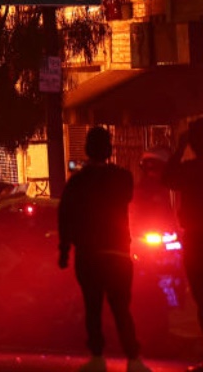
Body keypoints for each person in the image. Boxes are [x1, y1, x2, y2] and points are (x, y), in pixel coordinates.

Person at [57, 125, 151, 372]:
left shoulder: (77, 182)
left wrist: (64, 251)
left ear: (88, 149)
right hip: (118, 252)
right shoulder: (122, 177)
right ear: (109, 150)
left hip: (89, 254)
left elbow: (66, 217)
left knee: (93, 307)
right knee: (121, 308)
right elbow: (126, 199)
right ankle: (133, 359)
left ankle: (98, 357)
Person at [164, 118, 203, 372]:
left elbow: (167, 177)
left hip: (196, 240)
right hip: (194, 238)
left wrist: (179, 148)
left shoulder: (190, 170)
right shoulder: (191, 170)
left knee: (201, 296)